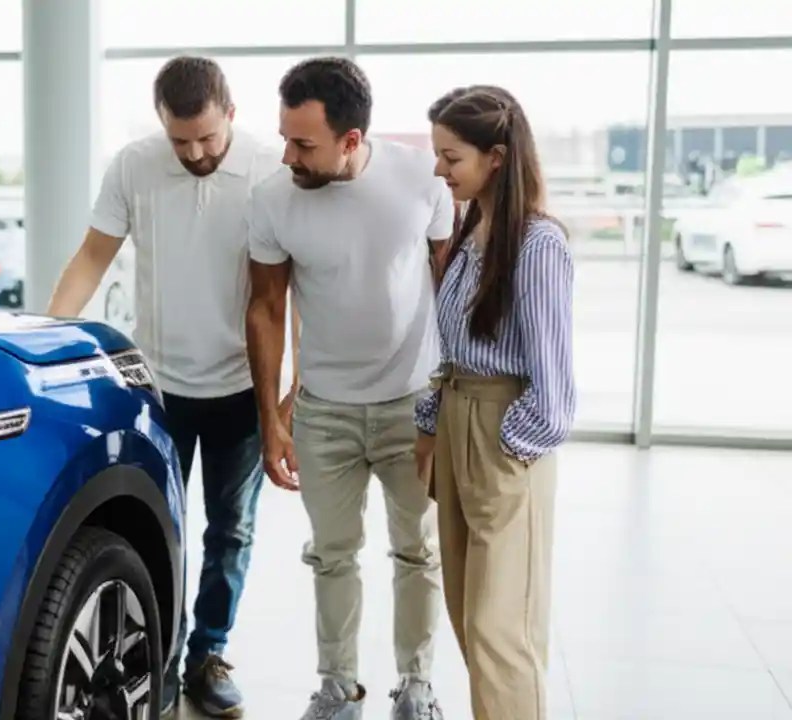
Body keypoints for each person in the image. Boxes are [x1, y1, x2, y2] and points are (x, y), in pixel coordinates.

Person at [46, 55, 282, 718]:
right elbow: (93, 256)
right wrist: (44, 335)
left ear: (231, 114)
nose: (195, 153)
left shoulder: (267, 169)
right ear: (162, 125)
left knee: (231, 530)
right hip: (159, 386)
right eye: (181, 141)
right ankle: (159, 652)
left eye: (207, 138)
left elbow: (285, 288)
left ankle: (208, 652)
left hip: (240, 384)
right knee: (156, 529)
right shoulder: (134, 165)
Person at [245, 56, 452, 720]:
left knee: (417, 551)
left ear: (352, 140)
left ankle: (416, 683)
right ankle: (338, 685)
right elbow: (266, 310)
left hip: (410, 406)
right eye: (284, 137)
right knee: (331, 556)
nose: (289, 155)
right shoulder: (273, 198)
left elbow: (449, 286)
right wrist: (269, 418)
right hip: (324, 413)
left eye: (304, 144)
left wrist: (447, 401)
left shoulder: (422, 179)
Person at [416, 85, 576, 720]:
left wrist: (507, 446)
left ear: (498, 157)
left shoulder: (537, 246)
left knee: (499, 629)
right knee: (467, 616)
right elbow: (449, 347)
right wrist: (435, 425)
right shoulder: (473, 233)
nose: (438, 169)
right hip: (460, 423)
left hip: (501, 434)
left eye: (451, 157)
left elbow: (554, 387)